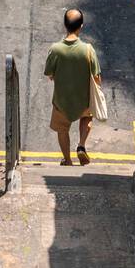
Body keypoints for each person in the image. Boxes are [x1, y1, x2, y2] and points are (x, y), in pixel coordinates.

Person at [44, 9, 101, 166]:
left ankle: (67, 160)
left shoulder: (55, 49)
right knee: (87, 117)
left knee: (62, 130)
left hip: (62, 99)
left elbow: (49, 73)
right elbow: (96, 76)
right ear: (81, 26)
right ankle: (81, 144)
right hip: (83, 98)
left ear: (65, 25)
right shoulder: (88, 50)